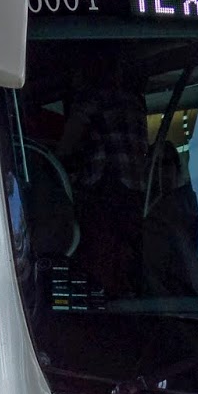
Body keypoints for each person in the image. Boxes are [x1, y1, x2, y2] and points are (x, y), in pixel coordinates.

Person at [57, 70, 147, 297]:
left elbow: (66, 147)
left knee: (99, 260)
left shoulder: (91, 99)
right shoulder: (135, 100)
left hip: (106, 192)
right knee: (128, 259)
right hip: (136, 194)